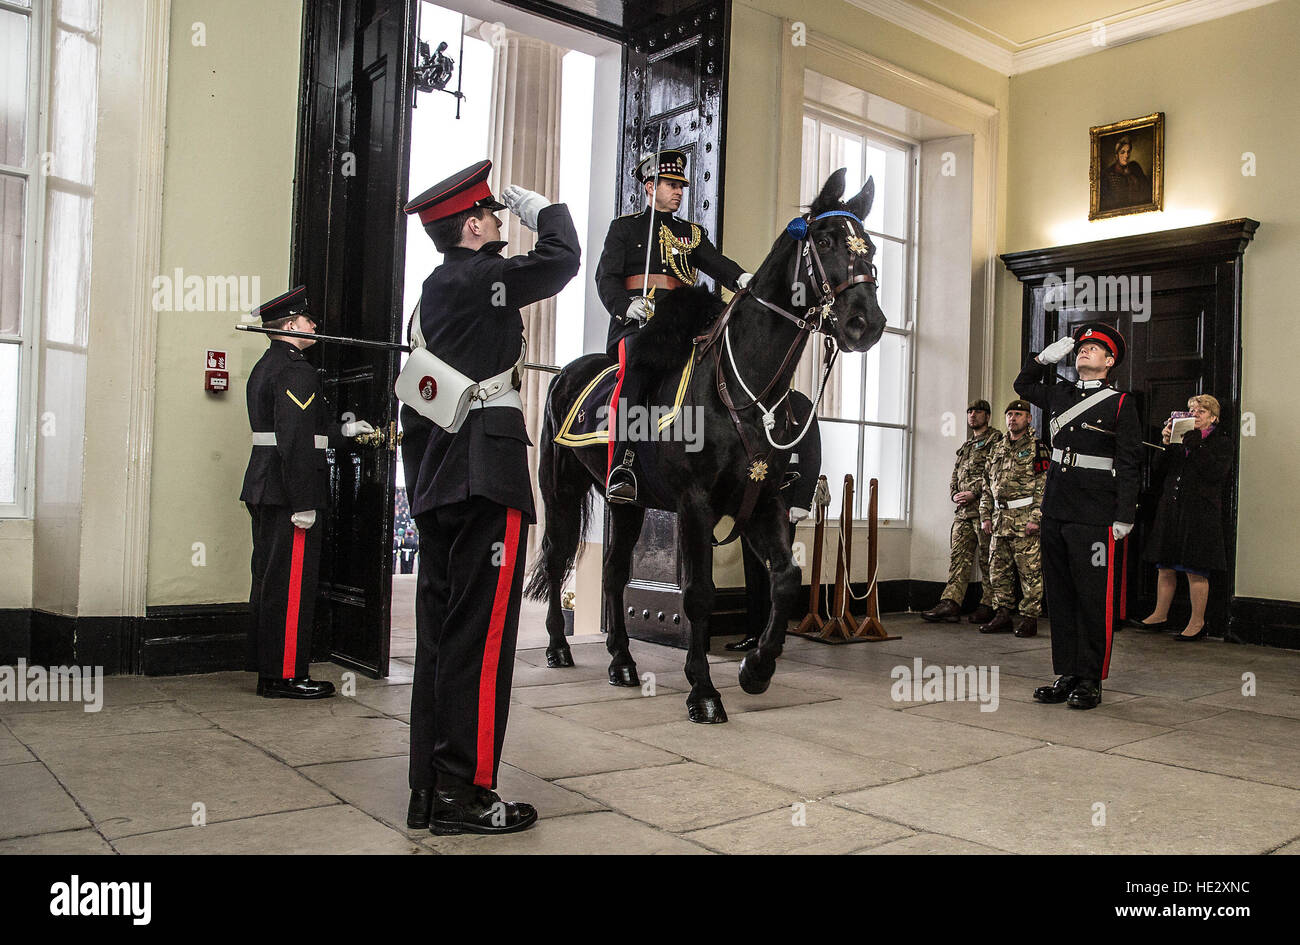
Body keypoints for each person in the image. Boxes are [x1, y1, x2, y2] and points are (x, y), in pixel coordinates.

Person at [400, 160, 580, 835]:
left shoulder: (431, 291)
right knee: (484, 637)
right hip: (489, 475)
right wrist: (544, 209)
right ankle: (467, 792)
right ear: (472, 223)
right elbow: (563, 260)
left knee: (444, 637)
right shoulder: (484, 278)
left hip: (442, 477)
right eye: (495, 219)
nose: (502, 228)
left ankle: (429, 787)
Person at [239, 286, 374, 699]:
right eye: (309, 320)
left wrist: (345, 431)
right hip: (288, 492)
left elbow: (303, 433)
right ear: (292, 325)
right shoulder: (296, 369)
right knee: (290, 584)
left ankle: (270, 670)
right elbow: (295, 440)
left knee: (269, 579)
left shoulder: (269, 364)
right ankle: (285, 676)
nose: (315, 326)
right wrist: (304, 502)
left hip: (267, 486)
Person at [596, 148, 751, 504]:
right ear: (649, 187)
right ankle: (623, 464)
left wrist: (742, 277)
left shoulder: (690, 233)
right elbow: (606, 278)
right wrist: (626, 306)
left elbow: (715, 263)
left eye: (681, 185)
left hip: (682, 322)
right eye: (669, 184)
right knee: (635, 371)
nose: (679, 191)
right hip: (640, 323)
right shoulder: (626, 227)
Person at [1015, 322, 1141, 710]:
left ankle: (1090, 677)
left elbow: (1130, 462)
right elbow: (1022, 386)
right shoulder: (1060, 393)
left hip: (1095, 513)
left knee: (1092, 597)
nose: (1084, 352)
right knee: (1062, 596)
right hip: (1056, 507)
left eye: (1094, 349)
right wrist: (1041, 359)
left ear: (1109, 360)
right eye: (1081, 348)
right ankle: (1066, 672)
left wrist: (1124, 514)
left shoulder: (1121, 403)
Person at [728, 391, 821, 652]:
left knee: (777, 570)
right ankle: (754, 633)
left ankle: (774, 635)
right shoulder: (749, 400)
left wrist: (802, 501)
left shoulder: (799, 404)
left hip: (784, 497)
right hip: (751, 496)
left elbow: (812, 453)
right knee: (752, 569)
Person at [1135, 394, 1232, 641]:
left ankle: (1197, 621)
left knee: (1194, 569)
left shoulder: (1221, 442)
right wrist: (1167, 443)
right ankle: (1159, 614)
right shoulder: (1180, 438)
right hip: (1172, 509)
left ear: (1213, 417)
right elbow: (1159, 468)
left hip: (1200, 513)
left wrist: (1196, 445)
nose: (1194, 415)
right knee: (1165, 566)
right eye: (1191, 410)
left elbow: (1214, 473)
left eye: (1200, 411)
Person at [922, 400, 1003, 624]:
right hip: (963, 512)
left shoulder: (996, 441)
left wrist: (974, 493)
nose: (972, 415)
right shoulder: (967, 445)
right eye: (969, 411)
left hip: (984, 511)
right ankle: (951, 603)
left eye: (977, 411)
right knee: (958, 559)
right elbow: (956, 473)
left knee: (989, 560)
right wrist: (954, 494)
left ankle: (990, 604)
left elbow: (995, 474)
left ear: (987, 416)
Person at [978, 400, 1049, 637]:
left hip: (1024, 519)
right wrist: (985, 515)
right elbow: (987, 485)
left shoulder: (1037, 447)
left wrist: (1036, 518)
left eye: (1018, 414)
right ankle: (1003, 614)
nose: (1012, 419)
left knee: (1029, 572)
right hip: (999, 519)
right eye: (1009, 414)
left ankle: (1030, 617)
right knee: (998, 570)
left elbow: (1044, 485)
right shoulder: (997, 448)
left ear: (1029, 419)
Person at [1099, 136, 1152, 212]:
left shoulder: (1135, 167)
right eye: (1122, 152)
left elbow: (1147, 192)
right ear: (1117, 155)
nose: (1126, 156)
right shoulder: (1108, 174)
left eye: (1128, 152)